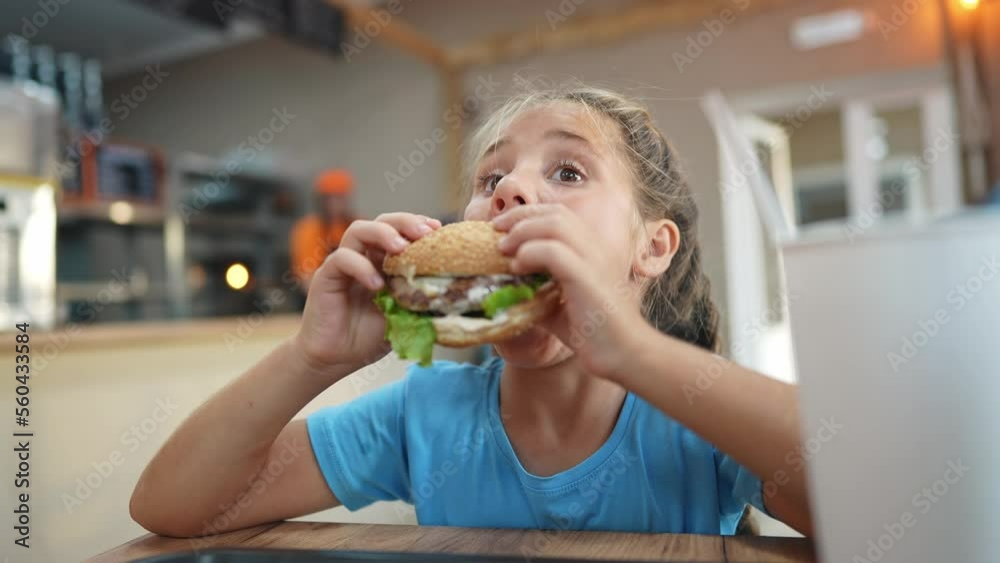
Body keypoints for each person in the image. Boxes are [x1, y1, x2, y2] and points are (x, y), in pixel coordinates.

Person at [130, 86, 813, 538]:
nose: (511, 189)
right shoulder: (422, 416)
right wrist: (312, 359)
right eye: (491, 179)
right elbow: (172, 507)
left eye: (567, 171)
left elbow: (883, 508)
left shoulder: (695, 418)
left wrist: (634, 350)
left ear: (652, 247)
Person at [289, 168, 357, 293]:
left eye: (339, 197)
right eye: (329, 198)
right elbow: (306, 275)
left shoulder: (356, 225)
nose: (334, 203)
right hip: (317, 295)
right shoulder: (308, 229)